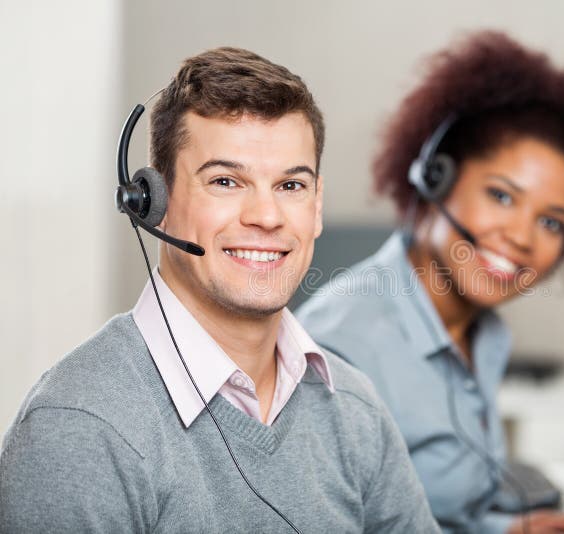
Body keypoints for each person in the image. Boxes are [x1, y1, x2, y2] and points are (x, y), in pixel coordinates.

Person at [0, 47, 438, 533]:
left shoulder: (356, 412)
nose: (267, 217)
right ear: (152, 203)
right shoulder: (79, 428)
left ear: (316, 208)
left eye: (291, 186)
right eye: (226, 181)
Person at [296, 31, 564, 534]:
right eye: (501, 196)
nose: (521, 236)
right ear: (434, 179)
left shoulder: (483, 335)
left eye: (552, 222)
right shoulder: (343, 347)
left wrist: (510, 530)